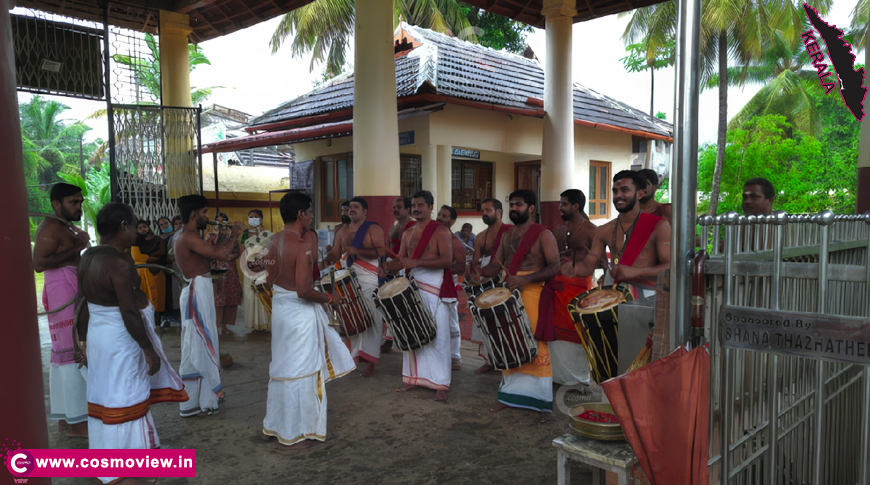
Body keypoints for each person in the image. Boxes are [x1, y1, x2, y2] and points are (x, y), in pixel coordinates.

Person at [75, 203, 187, 484]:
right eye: (134, 224)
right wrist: (148, 349)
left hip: (101, 339)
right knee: (127, 398)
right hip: (121, 339)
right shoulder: (119, 261)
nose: (138, 229)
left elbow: (81, 303)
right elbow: (128, 311)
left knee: (106, 396)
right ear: (123, 225)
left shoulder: (88, 257)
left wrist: (82, 340)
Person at [262, 192, 354, 449]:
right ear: (301, 214)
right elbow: (303, 290)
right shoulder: (300, 245)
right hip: (299, 313)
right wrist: (328, 298)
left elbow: (267, 276)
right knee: (302, 370)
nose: (312, 216)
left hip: (281, 309)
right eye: (311, 212)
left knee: (282, 365)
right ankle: (298, 431)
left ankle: (276, 424)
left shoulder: (272, 241)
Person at [480, 190, 560, 413]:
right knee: (509, 341)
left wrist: (525, 279)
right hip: (511, 293)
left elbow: (554, 266)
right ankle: (509, 396)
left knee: (534, 342)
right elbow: (498, 265)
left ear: (531, 208)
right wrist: (478, 271)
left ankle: (541, 402)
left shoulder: (543, 234)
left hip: (534, 293)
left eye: (519, 205)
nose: (514, 208)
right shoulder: (507, 235)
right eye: (512, 205)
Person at [382, 190, 455, 402]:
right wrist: (387, 266)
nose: (416, 208)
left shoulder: (440, 231)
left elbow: (447, 261)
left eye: (421, 205)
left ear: (431, 208)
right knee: (411, 330)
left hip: (434, 287)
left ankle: (441, 382)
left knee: (439, 335)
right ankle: (413, 378)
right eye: (414, 205)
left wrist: (418, 263)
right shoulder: (407, 233)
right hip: (412, 288)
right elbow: (401, 262)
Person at [174, 195, 242, 417]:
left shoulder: (192, 236)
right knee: (199, 343)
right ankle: (199, 400)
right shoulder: (188, 237)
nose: (207, 217)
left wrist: (231, 251)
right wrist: (234, 235)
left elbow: (214, 260)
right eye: (204, 212)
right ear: (194, 214)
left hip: (200, 288)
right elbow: (219, 253)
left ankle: (202, 397)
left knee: (202, 341)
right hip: (196, 291)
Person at [33, 183, 90, 438]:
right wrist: (78, 245)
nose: (79, 206)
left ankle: (69, 419)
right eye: (73, 202)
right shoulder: (51, 226)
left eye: (80, 201)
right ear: (57, 204)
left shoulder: (64, 226)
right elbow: (38, 263)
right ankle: (76, 423)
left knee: (70, 352)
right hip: (62, 293)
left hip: (69, 290)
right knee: (71, 352)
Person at [572, 170, 671, 295]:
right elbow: (590, 262)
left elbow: (669, 266)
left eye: (625, 190)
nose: (618, 195)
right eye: (615, 191)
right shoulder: (604, 230)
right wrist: (572, 269)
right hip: (614, 296)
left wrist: (636, 272)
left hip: (647, 296)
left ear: (640, 194)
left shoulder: (659, 225)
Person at [323, 197, 388, 377]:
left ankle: (371, 361)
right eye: (350, 207)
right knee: (347, 315)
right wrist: (321, 258)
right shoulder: (342, 230)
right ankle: (349, 358)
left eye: (356, 207)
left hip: (368, 276)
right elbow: (336, 253)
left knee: (371, 316)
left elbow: (381, 251)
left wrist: (357, 251)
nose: (351, 210)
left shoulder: (373, 228)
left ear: (365, 211)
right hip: (346, 277)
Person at [551, 189, 598, 386]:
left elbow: (597, 260)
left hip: (580, 286)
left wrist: (577, 268)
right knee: (555, 330)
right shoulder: (558, 229)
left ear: (576, 206)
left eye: (564, 204)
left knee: (577, 329)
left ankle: (579, 379)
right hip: (557, 286)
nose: (560, 207)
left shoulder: (591, 230)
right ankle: (557, 376)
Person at [469, 198, 513, 374]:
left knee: (505, 322)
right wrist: (478, 275)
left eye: (488, 210)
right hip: (486, 282)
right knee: (486, 320)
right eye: (482, 210)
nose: (484, 214)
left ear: (499, 212)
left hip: (506, 280)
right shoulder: (480, 237)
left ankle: (508, 359)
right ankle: (490, 360)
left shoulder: (510, 232)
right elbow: (476, 263)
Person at [436, 205, 466, 371]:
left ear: (453, 221)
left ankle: (455, 356)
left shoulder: (454, 242)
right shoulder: (431, 236)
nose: (440, 218)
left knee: (452, 322)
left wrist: (444, 267)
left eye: (445, 216)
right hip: (431, 284)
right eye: (439, 215)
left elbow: (461, 268)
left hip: (447, 285)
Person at [207, 213, 242, 336]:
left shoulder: (231, 237)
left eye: (225, 225)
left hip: (231, 269)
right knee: (218, 299)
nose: (223, 228)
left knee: (230, 297)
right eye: (219, 225)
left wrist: (232, 256)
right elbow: (208, 251)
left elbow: (237, 251)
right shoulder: (211, 236)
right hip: (217, 269)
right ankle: (216, 326)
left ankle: (225, 326)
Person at [240, 210, 271, 332]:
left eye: (256, 217)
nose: (253, 219)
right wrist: (249, 264)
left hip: (263, 266)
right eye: (251, 217)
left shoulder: (266, 233)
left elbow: (270, 248)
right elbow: (243, 250)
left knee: (263, 291)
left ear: (262, 219)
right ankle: (255, 324)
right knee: (252, 293)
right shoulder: (244, 234)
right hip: (249, 266)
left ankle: (266, 322)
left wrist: (262, 262)